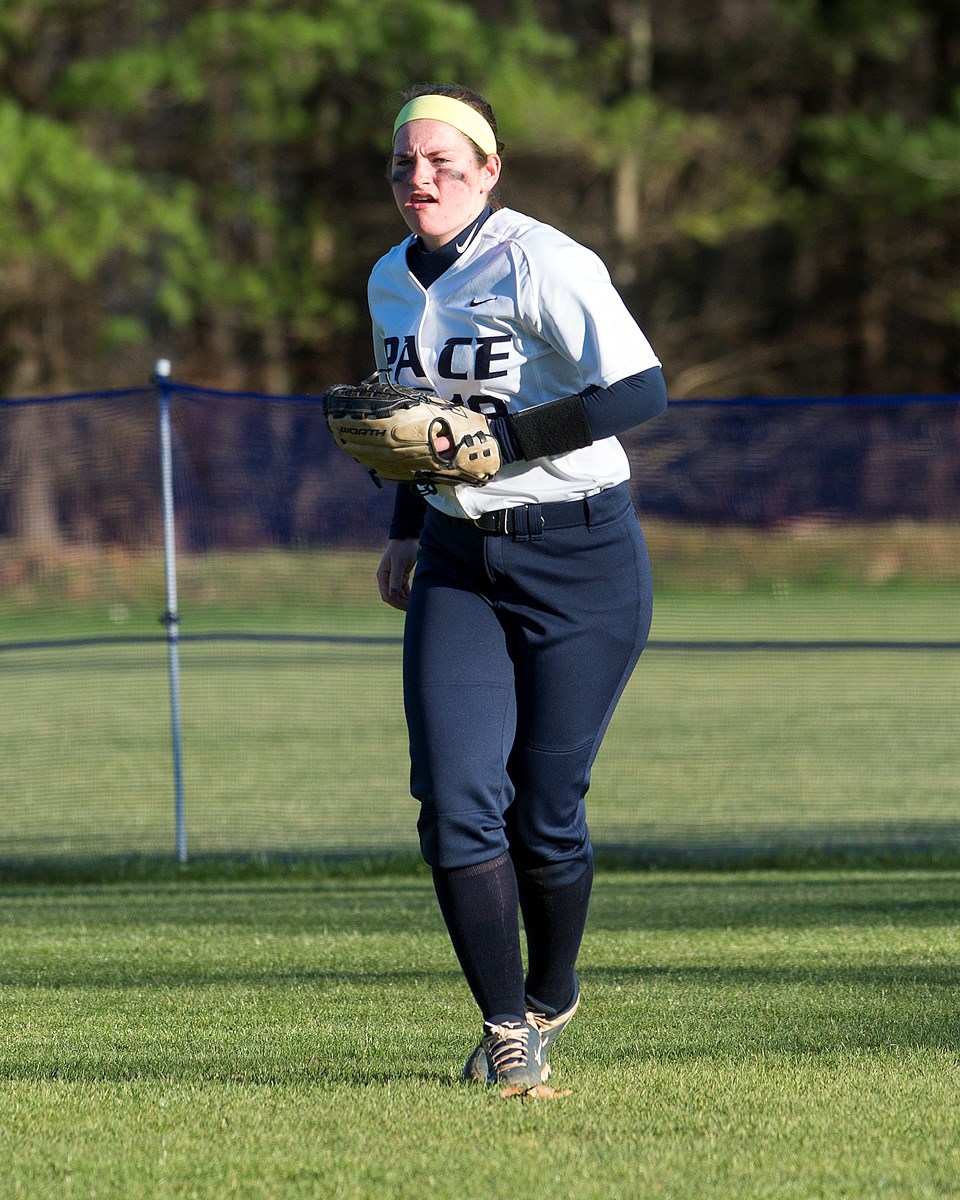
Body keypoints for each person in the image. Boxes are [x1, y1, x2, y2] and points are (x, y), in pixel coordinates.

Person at [369, 82, 667, 1091]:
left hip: (582, 557)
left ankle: (553, 989)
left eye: (444, 163)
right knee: (455, 798)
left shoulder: (545, 261)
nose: (422, 180)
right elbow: (420, 425)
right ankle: (508, 1030)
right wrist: (408, 528)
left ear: (488, 171)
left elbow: (641, 389)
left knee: (544, 813)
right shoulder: (387, 281)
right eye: (406, 163)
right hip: (458, 559)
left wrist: (510, 442)